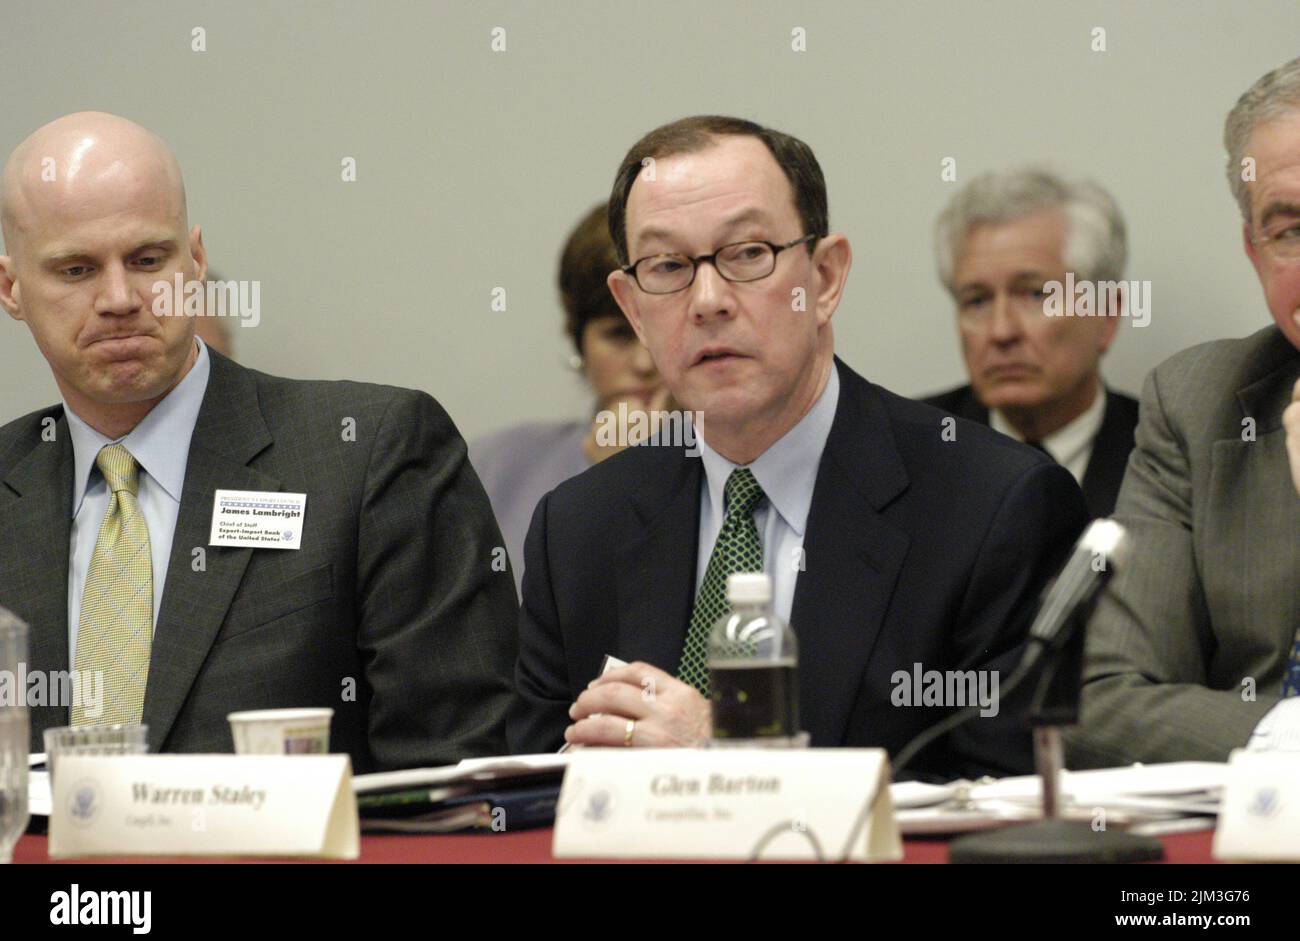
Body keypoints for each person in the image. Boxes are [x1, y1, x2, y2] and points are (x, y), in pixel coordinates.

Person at [508, 115, 1089, 780]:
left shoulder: (994, 508)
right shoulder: (577, 529)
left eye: (748, 254)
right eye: (667, 266)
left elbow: (1003, 807)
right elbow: (525, 803)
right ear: (634, 307)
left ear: (826, 277)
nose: (707, 300)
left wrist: (730, 758)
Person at [0, 112, 518, 771]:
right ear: (12, 288)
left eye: (148, 259)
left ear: (196, 260)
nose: (120, 297)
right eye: (76, 270)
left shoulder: (370, 453)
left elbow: (451, 776)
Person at [1064, 57, 1300, 767]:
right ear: (1253, 250)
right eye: (1290, 229)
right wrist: (1286, 741)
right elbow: (1104, 702)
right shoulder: (1201, 403)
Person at [470, 203, 670, 597]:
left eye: (658, 334)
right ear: (579, 339)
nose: (644, 363)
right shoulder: (497, 465)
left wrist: (636, 479)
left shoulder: (737, 467)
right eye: (618, 334)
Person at [924, 168, 1138, 518]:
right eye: (977, 301)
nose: (1001, 332)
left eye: (1036, 294)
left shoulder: (1164, 457)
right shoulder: (908, 449)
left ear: (1107, 314)